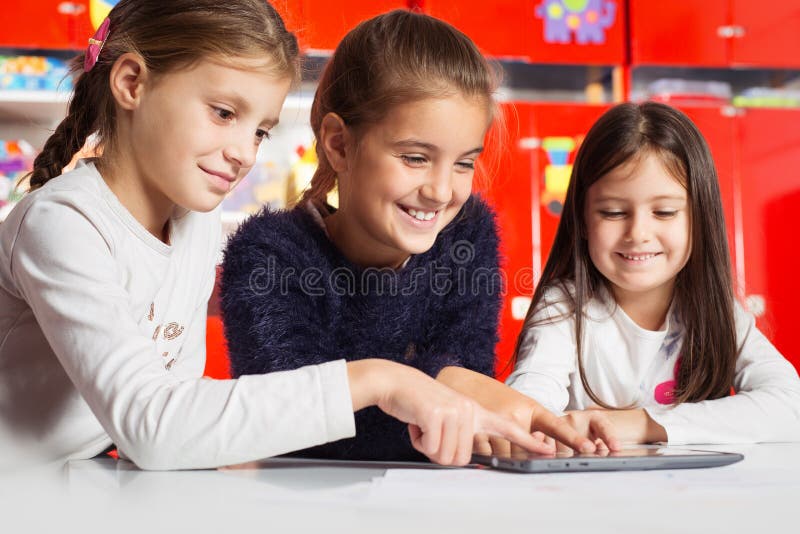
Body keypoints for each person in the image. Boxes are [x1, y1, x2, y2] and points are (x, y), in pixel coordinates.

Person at [0, 0, 550, 471]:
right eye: (222, 113)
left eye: (259, 129)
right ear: (131, 83)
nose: (244, 152)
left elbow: (179, 418)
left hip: (82, 486)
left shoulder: (192, 220)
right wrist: (385, 379)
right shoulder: (63, 223)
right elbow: (152, 424)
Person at [221, 9, 608, 461]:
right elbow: (296, 422)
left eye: (464, 163)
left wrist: (463, 393)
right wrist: (444, 382)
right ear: (339, 144)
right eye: (415, 158)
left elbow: (463, 394)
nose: (442, 192)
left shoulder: (466, 236)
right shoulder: (267, 256)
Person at [507, 102, 800, 445]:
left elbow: (789, 405)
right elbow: (526, 412)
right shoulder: (563, 309)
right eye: (614, 212)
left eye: (663, 212)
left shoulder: (717, 312)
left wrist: (642, 424)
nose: (638, 233)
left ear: (699, 220)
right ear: (582, 220)